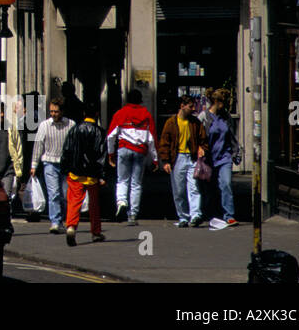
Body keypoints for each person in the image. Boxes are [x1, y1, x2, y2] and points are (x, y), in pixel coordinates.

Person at [105, 87, 157, 226]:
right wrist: (155, 159)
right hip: (140, 151)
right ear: (140, 100)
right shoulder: (146, 115)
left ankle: (121, 201)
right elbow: (151, 138)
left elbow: (111, 136)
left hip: (123, 149)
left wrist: (110, 154)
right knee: (136, 184)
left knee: (122, 180)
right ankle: (133, 214)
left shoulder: (120, 114)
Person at [159, 94, 209, 228]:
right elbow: (164, 142)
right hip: (178, 158)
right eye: (190, 106)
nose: (193, 109)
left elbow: (203, 139)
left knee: (194, 187)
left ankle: (195, 215)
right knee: (179, 189)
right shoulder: (171, 123)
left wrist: (202, 148)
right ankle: (183, 216)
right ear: (182, 106)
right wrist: (166, 161)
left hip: (191, 158)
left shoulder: (195, 122)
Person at [60, 105, 107, 246]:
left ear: (84, 113)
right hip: (92, 174)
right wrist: (102, 175)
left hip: (76, 172)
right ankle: (96, 232)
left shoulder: (75, 129)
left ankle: (71, 227)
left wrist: (65, 168)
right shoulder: (99, 132)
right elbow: (101, 155)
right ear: (97, 114)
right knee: (94, 204)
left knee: (74, 201)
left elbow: (67, 149)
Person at [29, 98, 75, 233]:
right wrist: (34, 165)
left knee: (65, 195)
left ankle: (67, 220)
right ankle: (55, 222)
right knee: (53, 193)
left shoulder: (71, 124)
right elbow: (38, 145)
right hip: (49, 163)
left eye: (56, 111)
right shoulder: (44, 125)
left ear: (62, 111)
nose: (53, 114)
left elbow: (74, 145)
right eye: (51, 111)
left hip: (66, 165)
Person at [205, 89, 238, 225]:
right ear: (216, 102)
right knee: (209, 188)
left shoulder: (226, 117)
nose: (224, 105)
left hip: (225, 157)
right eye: (223, 102)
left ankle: (229, 215)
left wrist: (235, 153)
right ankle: (209, 212)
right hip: (209, 158)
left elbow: (232, 136)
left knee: (226, 183)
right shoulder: (205, 117)